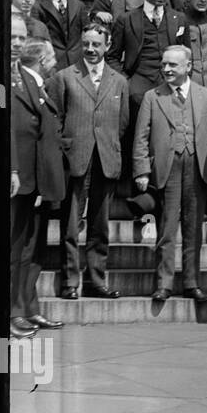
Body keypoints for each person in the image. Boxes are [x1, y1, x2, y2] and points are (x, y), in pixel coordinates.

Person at [131, 46, 207, 306]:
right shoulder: (152, 96)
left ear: (188, 67)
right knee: (167, 229)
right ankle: (164, 284)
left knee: (194, 229)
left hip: (197, 167)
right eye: (164, 64)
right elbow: (141, 137)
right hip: (166, 168)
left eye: (173, 65)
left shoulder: (205, 95)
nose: (167, 69)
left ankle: (192, 283)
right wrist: (142, 170)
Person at [51, 22, 130, 300]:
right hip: (75, 158)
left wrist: (106, 146)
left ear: (107, 46)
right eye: (86, 43)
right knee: (71, 225)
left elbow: (122, 124)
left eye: (97, 44)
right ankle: (70, 282)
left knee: (100, 226)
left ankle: (97, 281)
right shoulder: (65, 77)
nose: (91, 49)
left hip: (105, 159)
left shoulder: (119, 81)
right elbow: (56, 120)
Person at [10, 38, 67, 338]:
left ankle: (29, 307)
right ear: (41, 59)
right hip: (26, 180)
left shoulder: (39, 86)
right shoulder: (19, 85)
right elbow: (17, 131)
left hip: (41, 180)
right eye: (52, 56)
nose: (55, 60)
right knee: (17, 248)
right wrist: (15, 170)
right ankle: (14, 311)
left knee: (33, 250)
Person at [34, 0, 85, 69]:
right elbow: (38, 42)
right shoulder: (38, 7)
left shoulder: (79, 6)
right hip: (51, 67)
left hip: (77, 68)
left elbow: (85, 37)